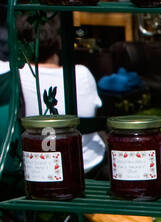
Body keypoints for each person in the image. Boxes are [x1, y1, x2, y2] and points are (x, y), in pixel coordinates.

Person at [14, 15, 105, 174]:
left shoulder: (12, 73)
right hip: (86, 167)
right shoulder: (81, 74)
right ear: (60, 40)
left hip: (36, 168)